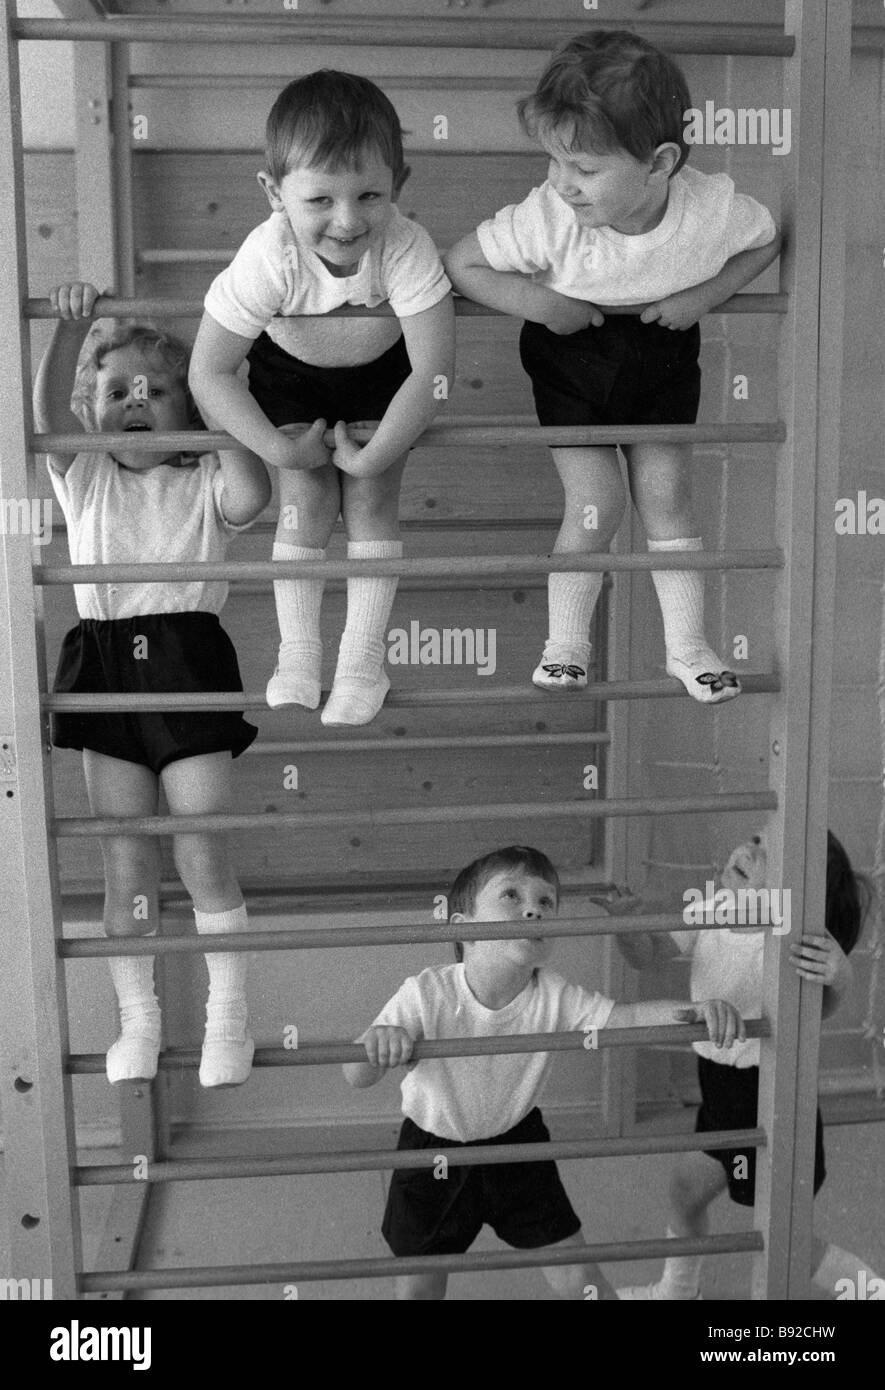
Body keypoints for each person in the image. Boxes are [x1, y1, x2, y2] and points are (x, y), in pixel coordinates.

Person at [444, 29, 781, 703]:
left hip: (660, 354)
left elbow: (765, 238)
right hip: (572, 356)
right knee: (596, 502)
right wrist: (541, 304)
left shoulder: (708, 210)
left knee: (666, 498)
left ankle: (687, 648)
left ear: (658, 165)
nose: (561, 185)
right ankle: (566, 645)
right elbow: (463, 263)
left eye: (585, 170)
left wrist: (702, 297)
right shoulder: (548, 219)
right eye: (553, 164)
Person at [36, 281, 270, 1087]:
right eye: (116, 390)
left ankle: (227, 1022)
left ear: (189, 411)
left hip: (188, 662)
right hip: (102, 669)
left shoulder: (203, 478)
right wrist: (70, 331)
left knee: (203, 848)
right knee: (126, 861)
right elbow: (49, 420)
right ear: (94, 408)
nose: (136, 401)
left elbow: (253, 490)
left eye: (156, 390)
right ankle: (139, 1022)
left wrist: (218, 406)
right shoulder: (87, 478)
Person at [343, 844, 745, 1300]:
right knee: (418, 1290)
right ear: (465, 929)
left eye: (545, 901)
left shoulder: (553, 995)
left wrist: (698, 1011)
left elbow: (623, 1020)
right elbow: (355, 1074)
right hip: (431, 1153)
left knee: (579, 1280)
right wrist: (376, 1047)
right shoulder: (425, 994)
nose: (533, 909)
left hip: (517, 1148)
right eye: (512, 896)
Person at [189, 70, 455, 726]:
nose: (347, 220)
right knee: (303, 499)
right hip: (288, 372)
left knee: (370, 498)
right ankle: (299, 654)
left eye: (369, 194)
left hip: (382, 371)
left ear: (400, 184)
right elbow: (210, 373)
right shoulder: (267, 255)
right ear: (274, 194)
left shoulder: (405, 245)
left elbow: (433, 373)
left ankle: (363, 659)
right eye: (319, 200)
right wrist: (277, 446)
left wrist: (375, 453)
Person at [616, 828, 883, 1299]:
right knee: (685, 1191)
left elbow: (816, 1011)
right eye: (756, 838)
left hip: (769, 1098)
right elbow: (651, 954)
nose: (749, 850)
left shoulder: (787, 943)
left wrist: (841, 975)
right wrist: (624, 928)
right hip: (720, 1089)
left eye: (769, 856)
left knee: (786, 1242)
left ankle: (869, 1290)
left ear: (796, 895)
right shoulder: (713, 907)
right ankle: (677, 1292)